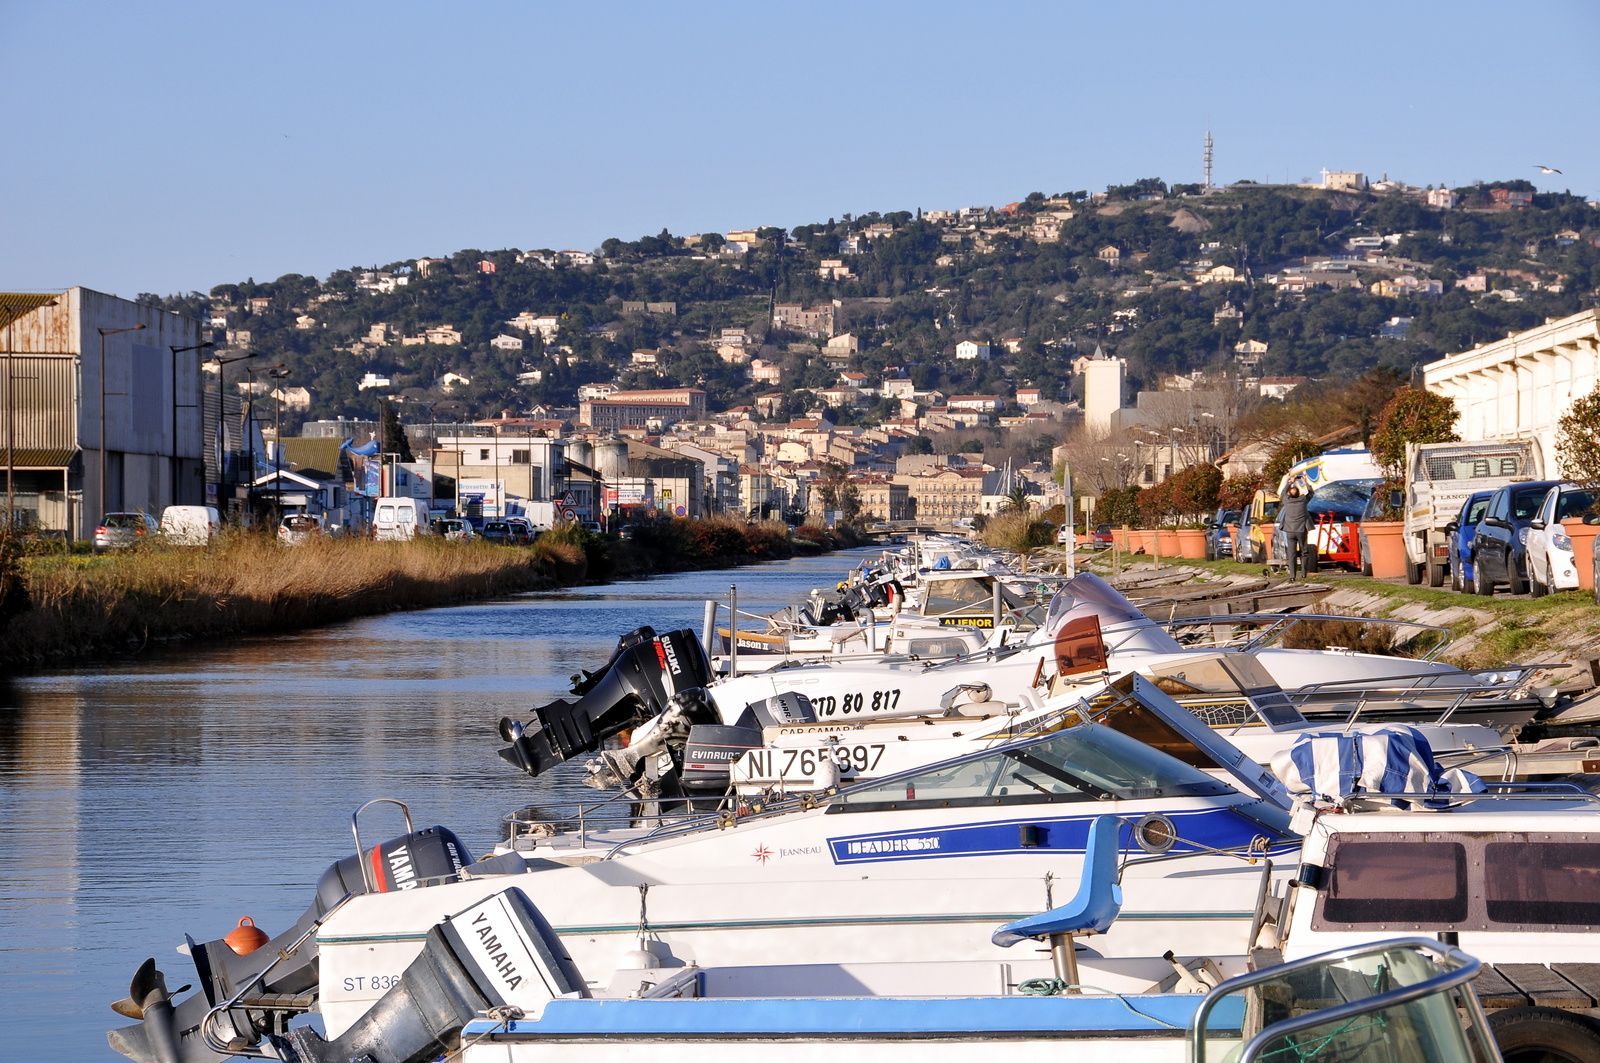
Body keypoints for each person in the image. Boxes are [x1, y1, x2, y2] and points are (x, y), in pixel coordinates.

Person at [1279, 480, 1311, 582]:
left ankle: (1292, 576)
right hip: (1301, 530)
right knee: (1304, 552)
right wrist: (1305, 481)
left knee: (1291, 554)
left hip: (1290, 531)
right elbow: (1311, 493)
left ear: (1289, 494)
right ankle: (1303, 573)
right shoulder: (1303, 500)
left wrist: (1289, 482)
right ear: (1299, 493)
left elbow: (1283, 493)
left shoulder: (1287, 501)